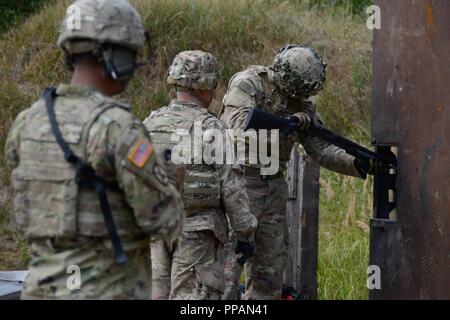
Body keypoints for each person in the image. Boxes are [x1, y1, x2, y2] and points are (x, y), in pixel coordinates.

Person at [4, 0, 183, 299]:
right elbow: (164, 220)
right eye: (132, 52)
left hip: (41, 290)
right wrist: (171, 180)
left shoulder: (27, 122)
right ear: (113, 54)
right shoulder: (118, 127)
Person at [220, 44, 381, 300]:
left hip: (274, 186)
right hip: (241, 182)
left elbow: (321, 148)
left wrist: (356, 163)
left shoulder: (302, 106)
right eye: (299, 94)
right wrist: (286, 123)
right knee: (229, 265)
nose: (302, 100)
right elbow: (236, 127)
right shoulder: (249, 82)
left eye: (305, 95)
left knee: (270, 269)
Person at [143, 50, 258, 300]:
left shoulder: (150, 124)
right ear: (205, 87)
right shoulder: (213, 128)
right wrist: (245, 233)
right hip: (198, 235)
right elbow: (232, 187)